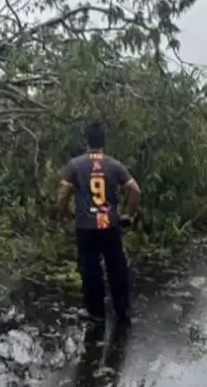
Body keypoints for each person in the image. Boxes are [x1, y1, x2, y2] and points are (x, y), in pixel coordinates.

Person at [55, 122, 142, 326]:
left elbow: (63, 194)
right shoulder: (114, 165)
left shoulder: (75, 165)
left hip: (86, 226)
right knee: (116, 268)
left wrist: (65, 215)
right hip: (109, 225)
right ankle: (123, 311)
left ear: (87, 142)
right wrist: (128, 215)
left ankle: (96, 314)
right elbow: (135, 190)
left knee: (90, 270)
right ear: (104, 142)